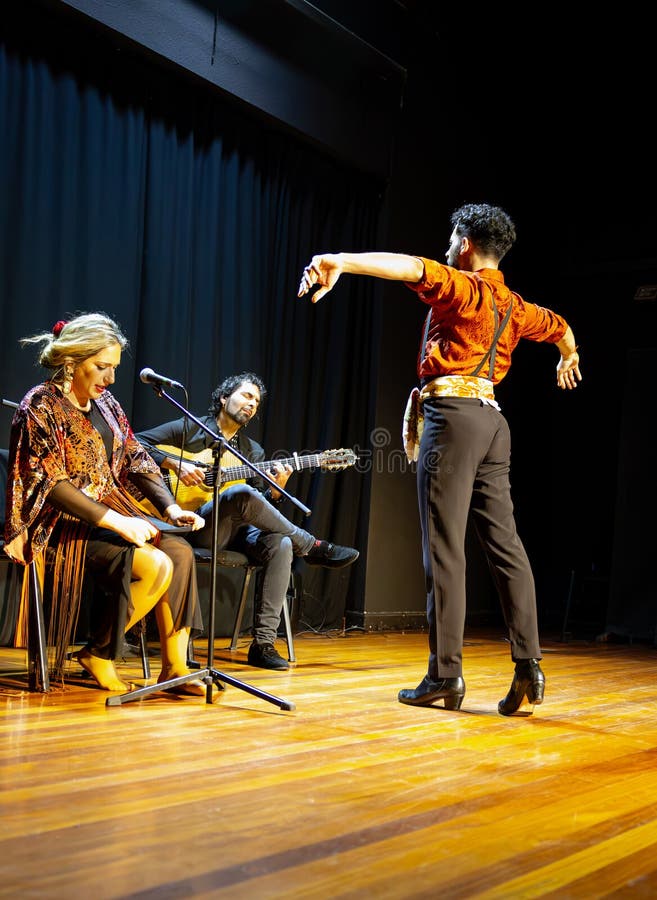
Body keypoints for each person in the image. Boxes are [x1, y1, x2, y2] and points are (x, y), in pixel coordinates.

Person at [298, 202, 581, 715]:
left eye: (452, 239)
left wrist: (338, 258)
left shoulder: (463, 285)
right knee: (506, 545)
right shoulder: (516, 307)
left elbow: (407, 265)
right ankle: (529, 665)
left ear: (466, 244)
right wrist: (569, 355)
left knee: (445, 549)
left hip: (453, 418)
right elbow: (560, 327)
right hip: (494, 422)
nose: (447, 247)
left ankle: (444, 675)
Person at [4, 313, 209, 696]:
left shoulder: (108, 404)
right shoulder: (40, 404)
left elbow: (135, 456)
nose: (110, 379)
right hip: (59, 524)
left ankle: (175, 668)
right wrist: (115, 520)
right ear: (72, 360)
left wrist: (168, 507)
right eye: (101, 367)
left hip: (107, 516)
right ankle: (99, 653)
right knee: (155, 563)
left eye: (113, 368)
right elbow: (49, 482)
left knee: (180, 552)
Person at [135, 372, 359, 671]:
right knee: (241, 492)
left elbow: (256, 506)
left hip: (233, 531)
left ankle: (263, 644)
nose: (251, 404)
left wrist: (277, 491)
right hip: (190, 527)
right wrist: (174, 462)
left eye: (256, 401)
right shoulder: (189, 429)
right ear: (224, 398)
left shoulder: (253, 452)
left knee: (280, 543)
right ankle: (313, 546)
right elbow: (135, 443)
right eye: (246, 396)